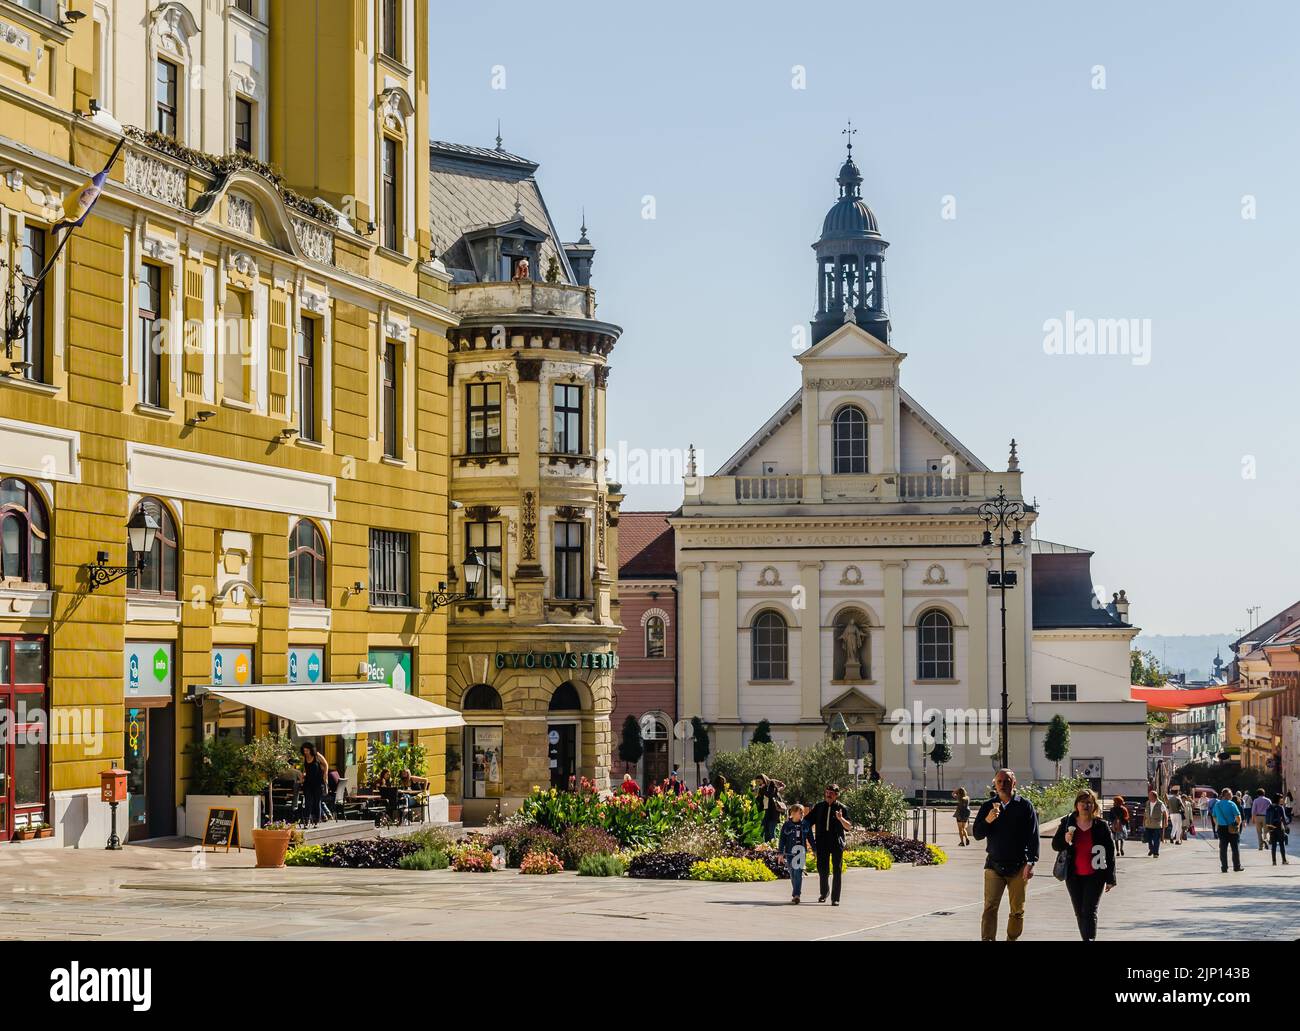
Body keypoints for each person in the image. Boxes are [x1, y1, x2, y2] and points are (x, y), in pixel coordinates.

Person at [973, 769, 1039, 942]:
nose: (1003, 784)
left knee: (1017, 910)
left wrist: (1031, 862)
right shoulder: (988, 806)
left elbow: (1033, 836)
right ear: (994, 783)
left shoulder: (1024, 805)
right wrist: (988, 820)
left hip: (1019, 866)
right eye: (1000, 781)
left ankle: (1011, 938)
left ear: (1014, 783)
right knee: (989, 907)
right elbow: (977, 834)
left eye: (1007, 781)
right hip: (994, 865)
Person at [1051, 789, 1117, 941]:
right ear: (1076, 805)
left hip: (1096, 874)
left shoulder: (1101, 825)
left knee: (1089, 911)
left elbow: (1109, 853)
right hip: (1073, 875)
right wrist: (1065, 839)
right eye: (1082, 802)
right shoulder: (1067, 822)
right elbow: (1055, 845)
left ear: (1094, 805)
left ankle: (1089, 939)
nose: (1085, 805)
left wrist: (1111, 878)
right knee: (1079, 912)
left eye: (1089, 802)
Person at [807, 784, 852, 906]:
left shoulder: (842, 808)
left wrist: (841, 819)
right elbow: (807, 821)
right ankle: (824, 892)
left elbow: (849, 827)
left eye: (831, 793)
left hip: (836, 842)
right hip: (822, 842)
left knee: (837, 870)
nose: (828, 795)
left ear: (836, 795)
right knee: (822, 869)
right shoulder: (819, 807)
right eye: (827, 792)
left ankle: (835, 898)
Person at [779, 803, 812, 903]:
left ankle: (796, 895)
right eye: (800, 812)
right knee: (793, 873)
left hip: (800, 851)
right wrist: (781, 853)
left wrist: (814, 849)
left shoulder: (805, 824)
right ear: (792, 813)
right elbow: (782, 840)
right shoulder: (787, 825)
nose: (802, 814)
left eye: (802, 812)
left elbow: (810, 837)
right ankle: (796, 892)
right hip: (790, 852)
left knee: (798, 872)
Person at [1211, 788, 1244, 873]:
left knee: (1223, 848)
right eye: (1230, 793)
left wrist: (1218, 824)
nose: (1232, 795)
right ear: (1226, 795)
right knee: (1235, 848)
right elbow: (1238, 817)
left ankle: (1224, 867)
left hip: (1221, 828)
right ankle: (1236, 866)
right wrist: (1237, 825)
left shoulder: (1217, 804)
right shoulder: (1231, 804)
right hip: (1232, 828)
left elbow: (1214, 816)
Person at [300, 744, 328, 827]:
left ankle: (316, 821)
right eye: (304, 751)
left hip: (318, 782)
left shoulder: (317, 756)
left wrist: (325, 776)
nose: (306, 752)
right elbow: (304, 769)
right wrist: (302, 775)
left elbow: (326, 764)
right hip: (308, 783)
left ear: (311, 750)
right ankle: (306, 821)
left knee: (317, 802)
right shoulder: (304, 758)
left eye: (307, 750)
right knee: (308, 802)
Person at [754, 773, 786, 842]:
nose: (758, 783)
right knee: (765, 830)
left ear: (763, 779)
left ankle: (774, 846)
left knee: (771, 830)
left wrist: (762, 789)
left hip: (773, 812)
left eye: (759, 781)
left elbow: (770, 795)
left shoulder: (771, 784)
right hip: (765, 812)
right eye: (757, 782)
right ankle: (766, 847)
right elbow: (760, 799)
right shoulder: (762, 787)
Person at [1264, 792, 1290, 866]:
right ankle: (1284, 860)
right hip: (1279, 826)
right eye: (1281, 798)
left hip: (1271, 827)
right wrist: (1286, 825)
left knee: (1274, 845)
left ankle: (1274, 861)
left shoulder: (1269, 807)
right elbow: (1284, 819)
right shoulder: (1280, 807)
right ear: (1278, 799)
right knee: (1282, 844)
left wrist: (1268, 827)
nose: (1282, 800)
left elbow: (1267, 818)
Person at [1142, 790, 1168, 858]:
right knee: (1149, 839)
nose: (1148, 797)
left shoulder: (1160, 804)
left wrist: (1166, 821)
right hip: (1148, 824)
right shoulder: (1147, 803)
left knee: (1156, 839)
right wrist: (1144, 821)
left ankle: (1156, 853)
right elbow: (1145, 813)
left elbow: (1165, 813)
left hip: (1157, 825)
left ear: (1154, 796)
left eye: (1150, 796)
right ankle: (1151, 849)